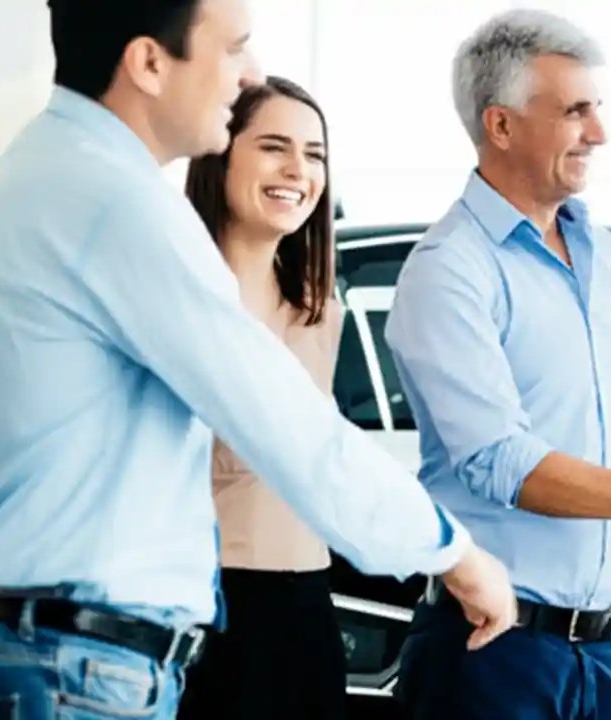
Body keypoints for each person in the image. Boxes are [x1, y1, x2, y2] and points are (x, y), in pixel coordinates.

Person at [0, 2, 516, 718]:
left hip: (59, 654)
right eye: (234, 48)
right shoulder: (119, 205)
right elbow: (287, 422)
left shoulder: (42, 173)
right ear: (148, 63)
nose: (253, 73)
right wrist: (456, 554)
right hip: (73, 669)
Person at [384, 9, 611, 720]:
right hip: (490, 655)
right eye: (574, 111)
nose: (600, 132)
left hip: (609, 656)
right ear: (501, 126)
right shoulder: (450, 271)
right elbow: (502, 461)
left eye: (598, 108)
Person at [172, 75, 348, 719]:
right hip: (203, 612)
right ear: (221, 153)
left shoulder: (319, 308)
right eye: (274, 147)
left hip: (305, 610)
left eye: (314, 154)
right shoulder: (176, 293)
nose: (297, 171)